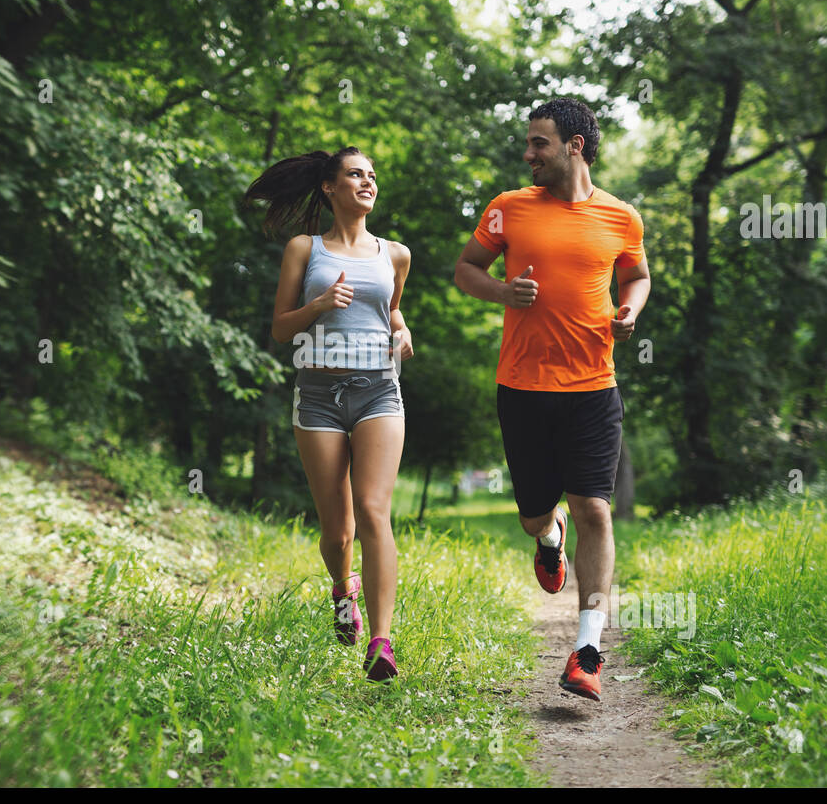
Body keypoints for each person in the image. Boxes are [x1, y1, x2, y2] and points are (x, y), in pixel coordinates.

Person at [453, 98, 651, 701]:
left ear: (574, 146)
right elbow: (465, 271)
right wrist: (502, 291)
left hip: (594, 386)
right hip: (522, 387)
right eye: (529, 143)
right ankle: (547, 535)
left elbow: (636, 276)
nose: (527, 153)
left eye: (539, 142)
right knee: (535, 513)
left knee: (596, 506)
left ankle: (588, 650)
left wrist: (629, 310)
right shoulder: (508, 209)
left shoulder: (622, 217)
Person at [245, 147, 413, 681]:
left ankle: (382, 643)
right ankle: (344, 589)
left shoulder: (395, 254)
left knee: (372, 510)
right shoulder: (305, 248)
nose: (367, 182)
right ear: (329, 187)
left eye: (371, 175)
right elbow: (279, 328)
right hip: (317, 394)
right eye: (355, 174)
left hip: (378, 391)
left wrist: (403, 331)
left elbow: (391, 311)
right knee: (337, 531)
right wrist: (317, 307)